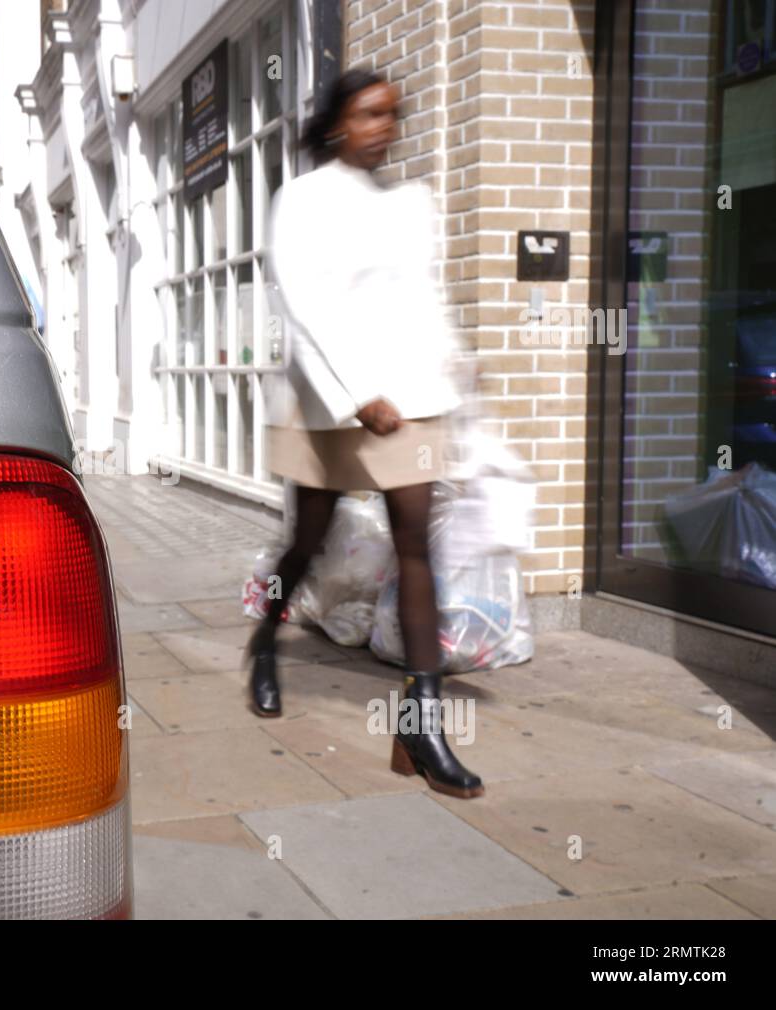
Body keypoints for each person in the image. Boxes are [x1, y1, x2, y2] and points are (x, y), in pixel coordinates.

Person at [246, 69, 483, 800]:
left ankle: (421, 718)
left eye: (394, 115)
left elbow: (426, 298)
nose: (386, 126)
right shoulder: (303, 198)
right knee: (308, 541)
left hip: (408, 397)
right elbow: (302, 303)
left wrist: (457, 380)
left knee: (417, 543)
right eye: (371, 113)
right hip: (329, 399)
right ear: (336, 121)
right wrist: (355, 397)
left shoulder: (412, 203)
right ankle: (264, 641)